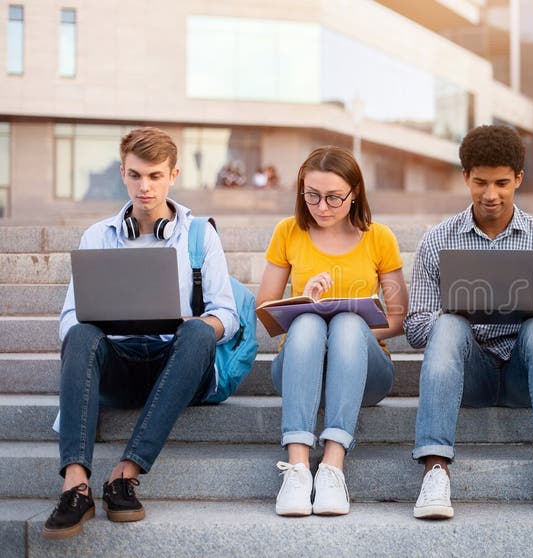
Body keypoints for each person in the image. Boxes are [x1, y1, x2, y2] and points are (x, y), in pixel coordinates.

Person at [43, 127, 239, 539]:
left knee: (200, 333)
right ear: (123, 173)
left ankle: (125, 473)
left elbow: (227, 315)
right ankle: (75, 487)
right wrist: (100, 323)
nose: (144, 186)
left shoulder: (200, 234)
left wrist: (194, 323)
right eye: (135, 175)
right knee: (79, 334)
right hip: (118, 362)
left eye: (155, 176)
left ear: (173, 175)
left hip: (177, 364)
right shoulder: (97, 236)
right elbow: (69, 319)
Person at [404, 124, 533, 520]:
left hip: (525, 375)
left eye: (502, 183)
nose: (491, 195)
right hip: (470, 375)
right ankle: (435, 471)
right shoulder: (437, 241)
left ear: (519, 178)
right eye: (480, 183)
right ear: (465, 177)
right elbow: (416, 330)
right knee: (449, 325)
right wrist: (453, 310)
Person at [255, 146, 408, 517]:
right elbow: (265, 311)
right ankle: (297, 468)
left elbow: (399, 318)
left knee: (347, 322)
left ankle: (332, 466)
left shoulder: (379, 237)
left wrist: (346, 339)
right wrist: (304, 302)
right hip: (298, 366)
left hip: (366, 373)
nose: (322, 207)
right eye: (312, 196)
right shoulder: (288, 232)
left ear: (355, 193)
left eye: (334, 197)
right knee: (309, 321)